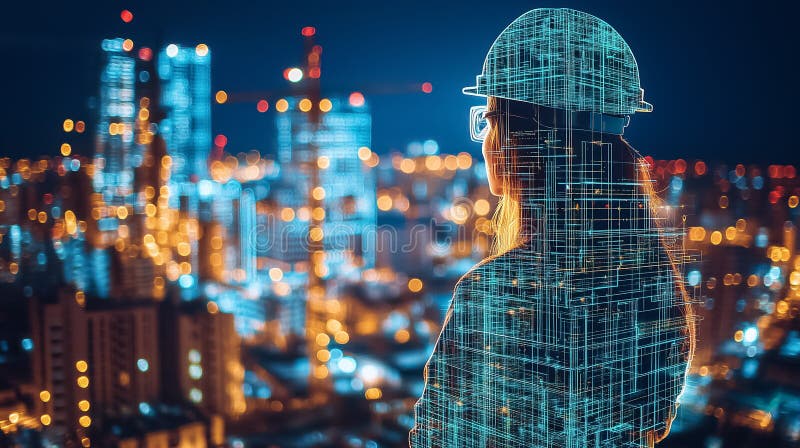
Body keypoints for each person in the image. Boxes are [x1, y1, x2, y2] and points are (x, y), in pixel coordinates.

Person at [409, 8, 695, 448]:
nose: (486, 139)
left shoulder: (493, 293)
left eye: (490, 118)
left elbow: (436, 437)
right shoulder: (658, 291)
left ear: (521, 139)